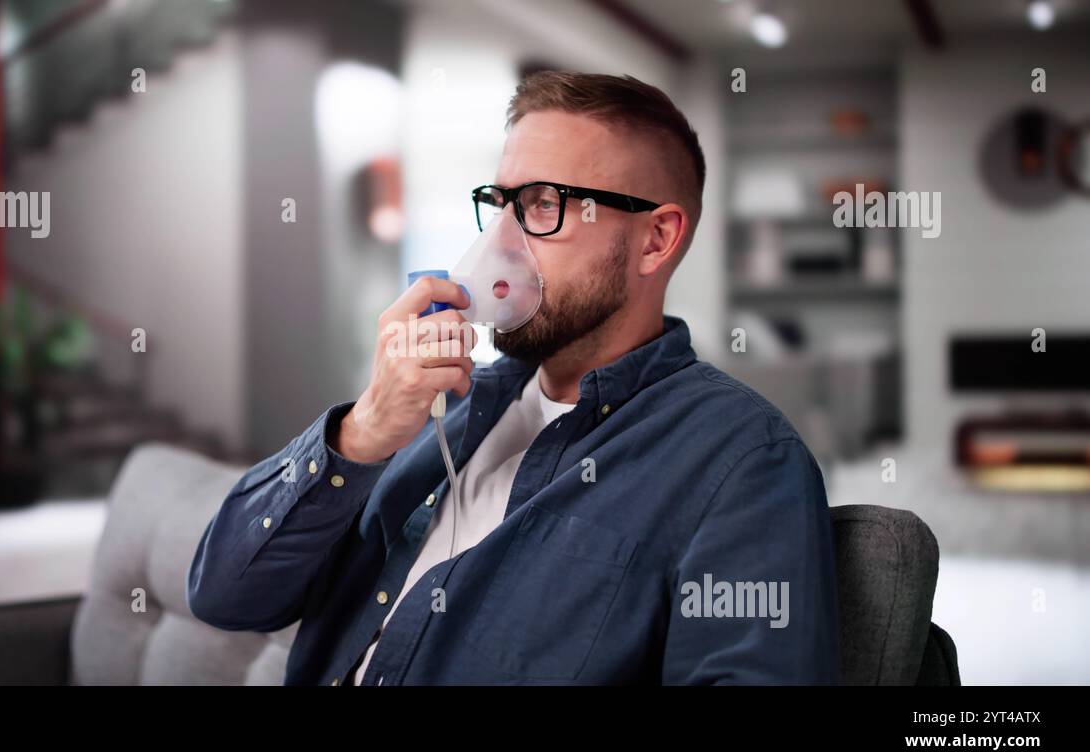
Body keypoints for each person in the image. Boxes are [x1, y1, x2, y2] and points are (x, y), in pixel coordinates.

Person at [187, 71, 840, 685]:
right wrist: (360, 432)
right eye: (499, 203)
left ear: (655, 239)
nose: (500, 242)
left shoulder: (741, 460)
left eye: (543, 205)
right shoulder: (444, 406)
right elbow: (223, 595)